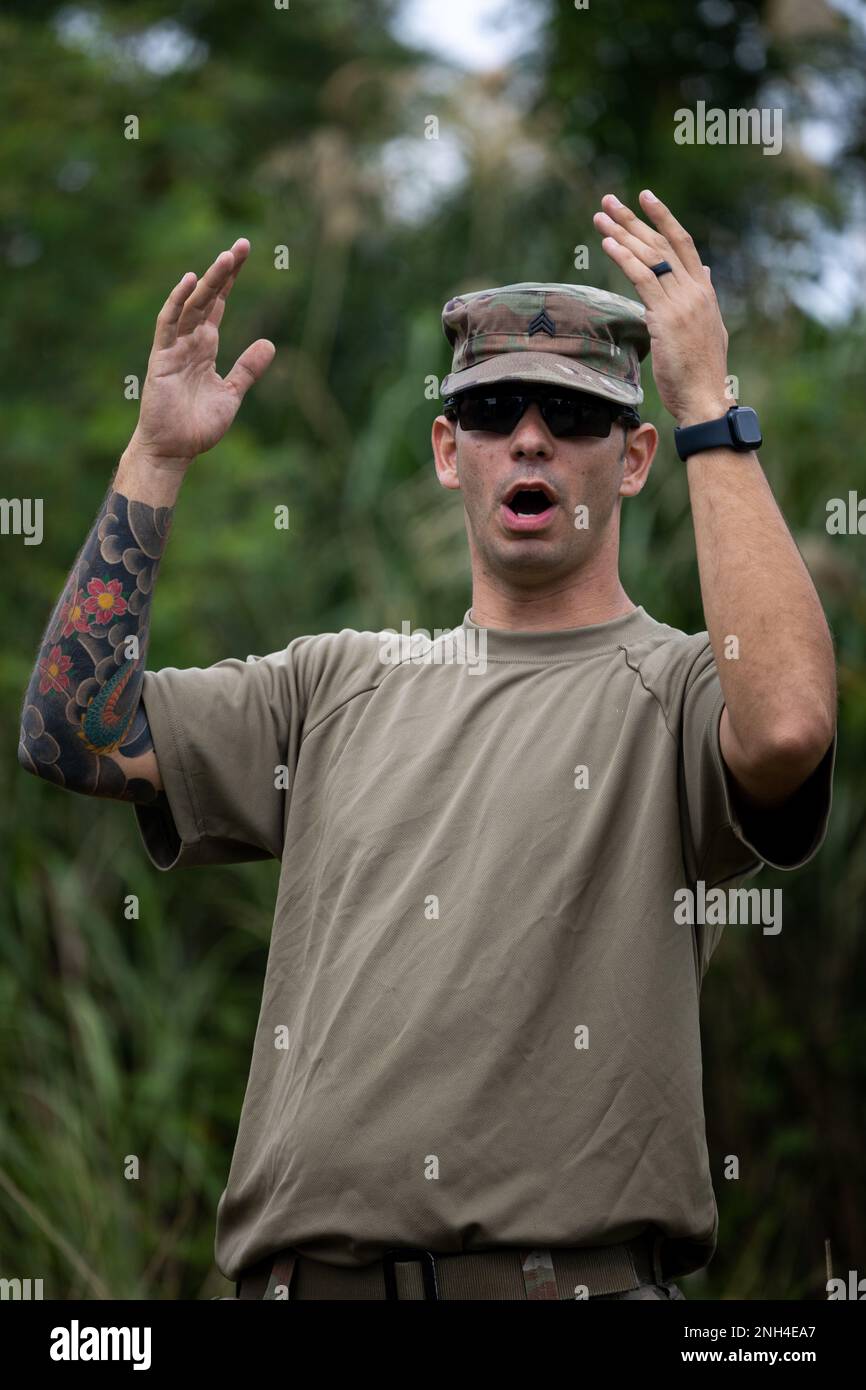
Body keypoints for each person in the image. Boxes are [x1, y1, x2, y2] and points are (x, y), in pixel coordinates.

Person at [18, 190, 837, 1302]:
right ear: (450, 451)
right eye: (493, 410)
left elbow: (787, 725)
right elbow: (72, 731)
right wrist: (156, 454)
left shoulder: (680, 692)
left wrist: (706, 403)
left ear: (635, 456)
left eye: (574, 414)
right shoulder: (328, 686)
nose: (530, 437)